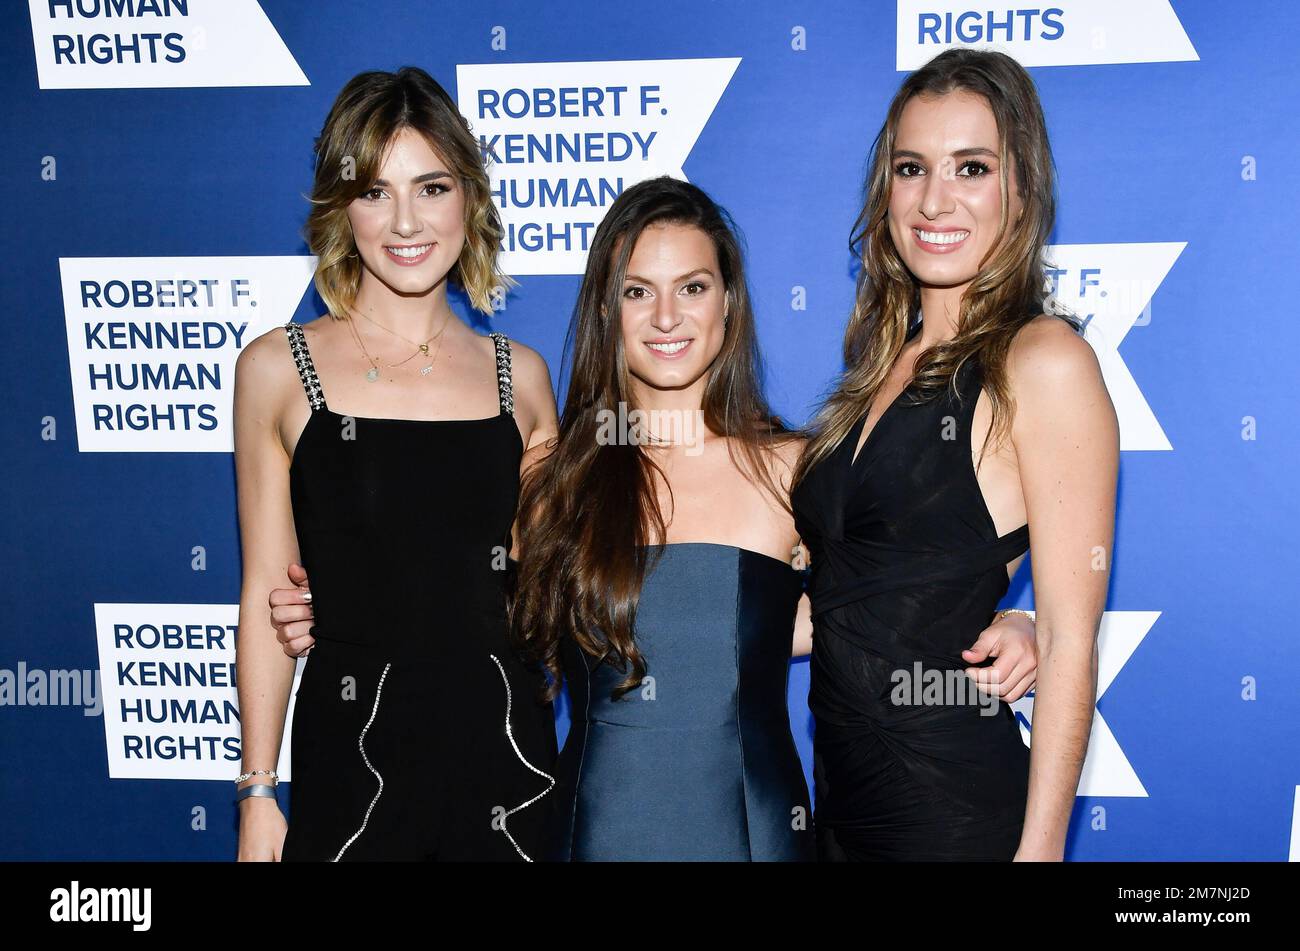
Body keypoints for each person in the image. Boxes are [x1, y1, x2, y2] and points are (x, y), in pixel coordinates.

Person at [269, 177, 1041, 862]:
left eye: (693, 287)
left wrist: (1016, 617)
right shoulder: (555, 479)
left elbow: (883, 610)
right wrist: (334, 606)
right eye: (638, 291)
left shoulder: (795, 470)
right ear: (608, 308)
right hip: (593, 832)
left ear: (728, 300)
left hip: (756, 833)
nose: (667, 316)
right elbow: (464, 608)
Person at [790, 48, 1118, 862]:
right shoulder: (875, 369)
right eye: (912, 168)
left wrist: (1040, 853)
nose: (935, 199)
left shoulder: (1044, 361)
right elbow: (849, 601)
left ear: (1021, 188)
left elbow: (1070, 640)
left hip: (954, 815)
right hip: (838, 814)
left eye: (972, 167)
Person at [232, 66, 559, 862]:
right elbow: (265, 589)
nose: (406, 221)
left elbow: (547, 589)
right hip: (352, 760)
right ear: (341, 207)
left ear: (468, 198)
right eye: (375, 191)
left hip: (506, 756)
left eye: (432, 188)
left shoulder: (523, 376)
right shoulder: (277, 367)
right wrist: (258, 792)